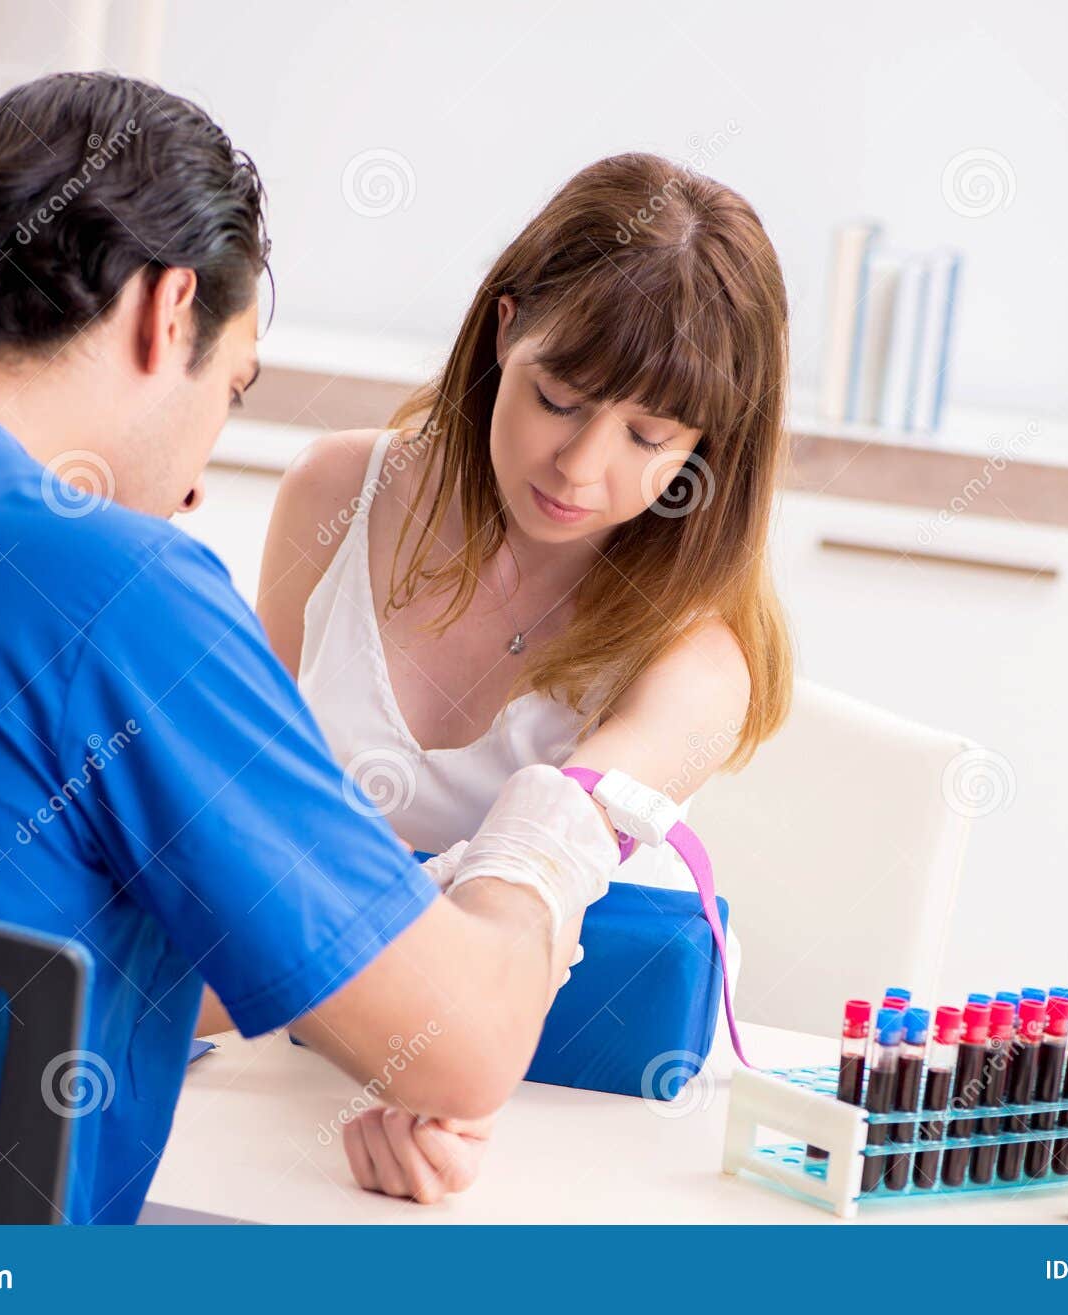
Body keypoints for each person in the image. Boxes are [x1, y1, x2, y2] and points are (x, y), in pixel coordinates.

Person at [0, 72, 618, 1223]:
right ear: (166, 310)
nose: (197, 480)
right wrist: (543, 845)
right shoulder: (115, 585)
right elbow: (463, 1046)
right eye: (231, 388)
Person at [251, 153, 795, 1197]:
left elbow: (536, 866)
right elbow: (243, 809)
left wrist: (433, 1061)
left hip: (564, 1119)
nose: (580, 467)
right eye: (559, 397)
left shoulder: (696, 657)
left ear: (704, 449)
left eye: (647, 435)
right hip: (291, 1057)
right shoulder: (333, 495)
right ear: (503, 331)